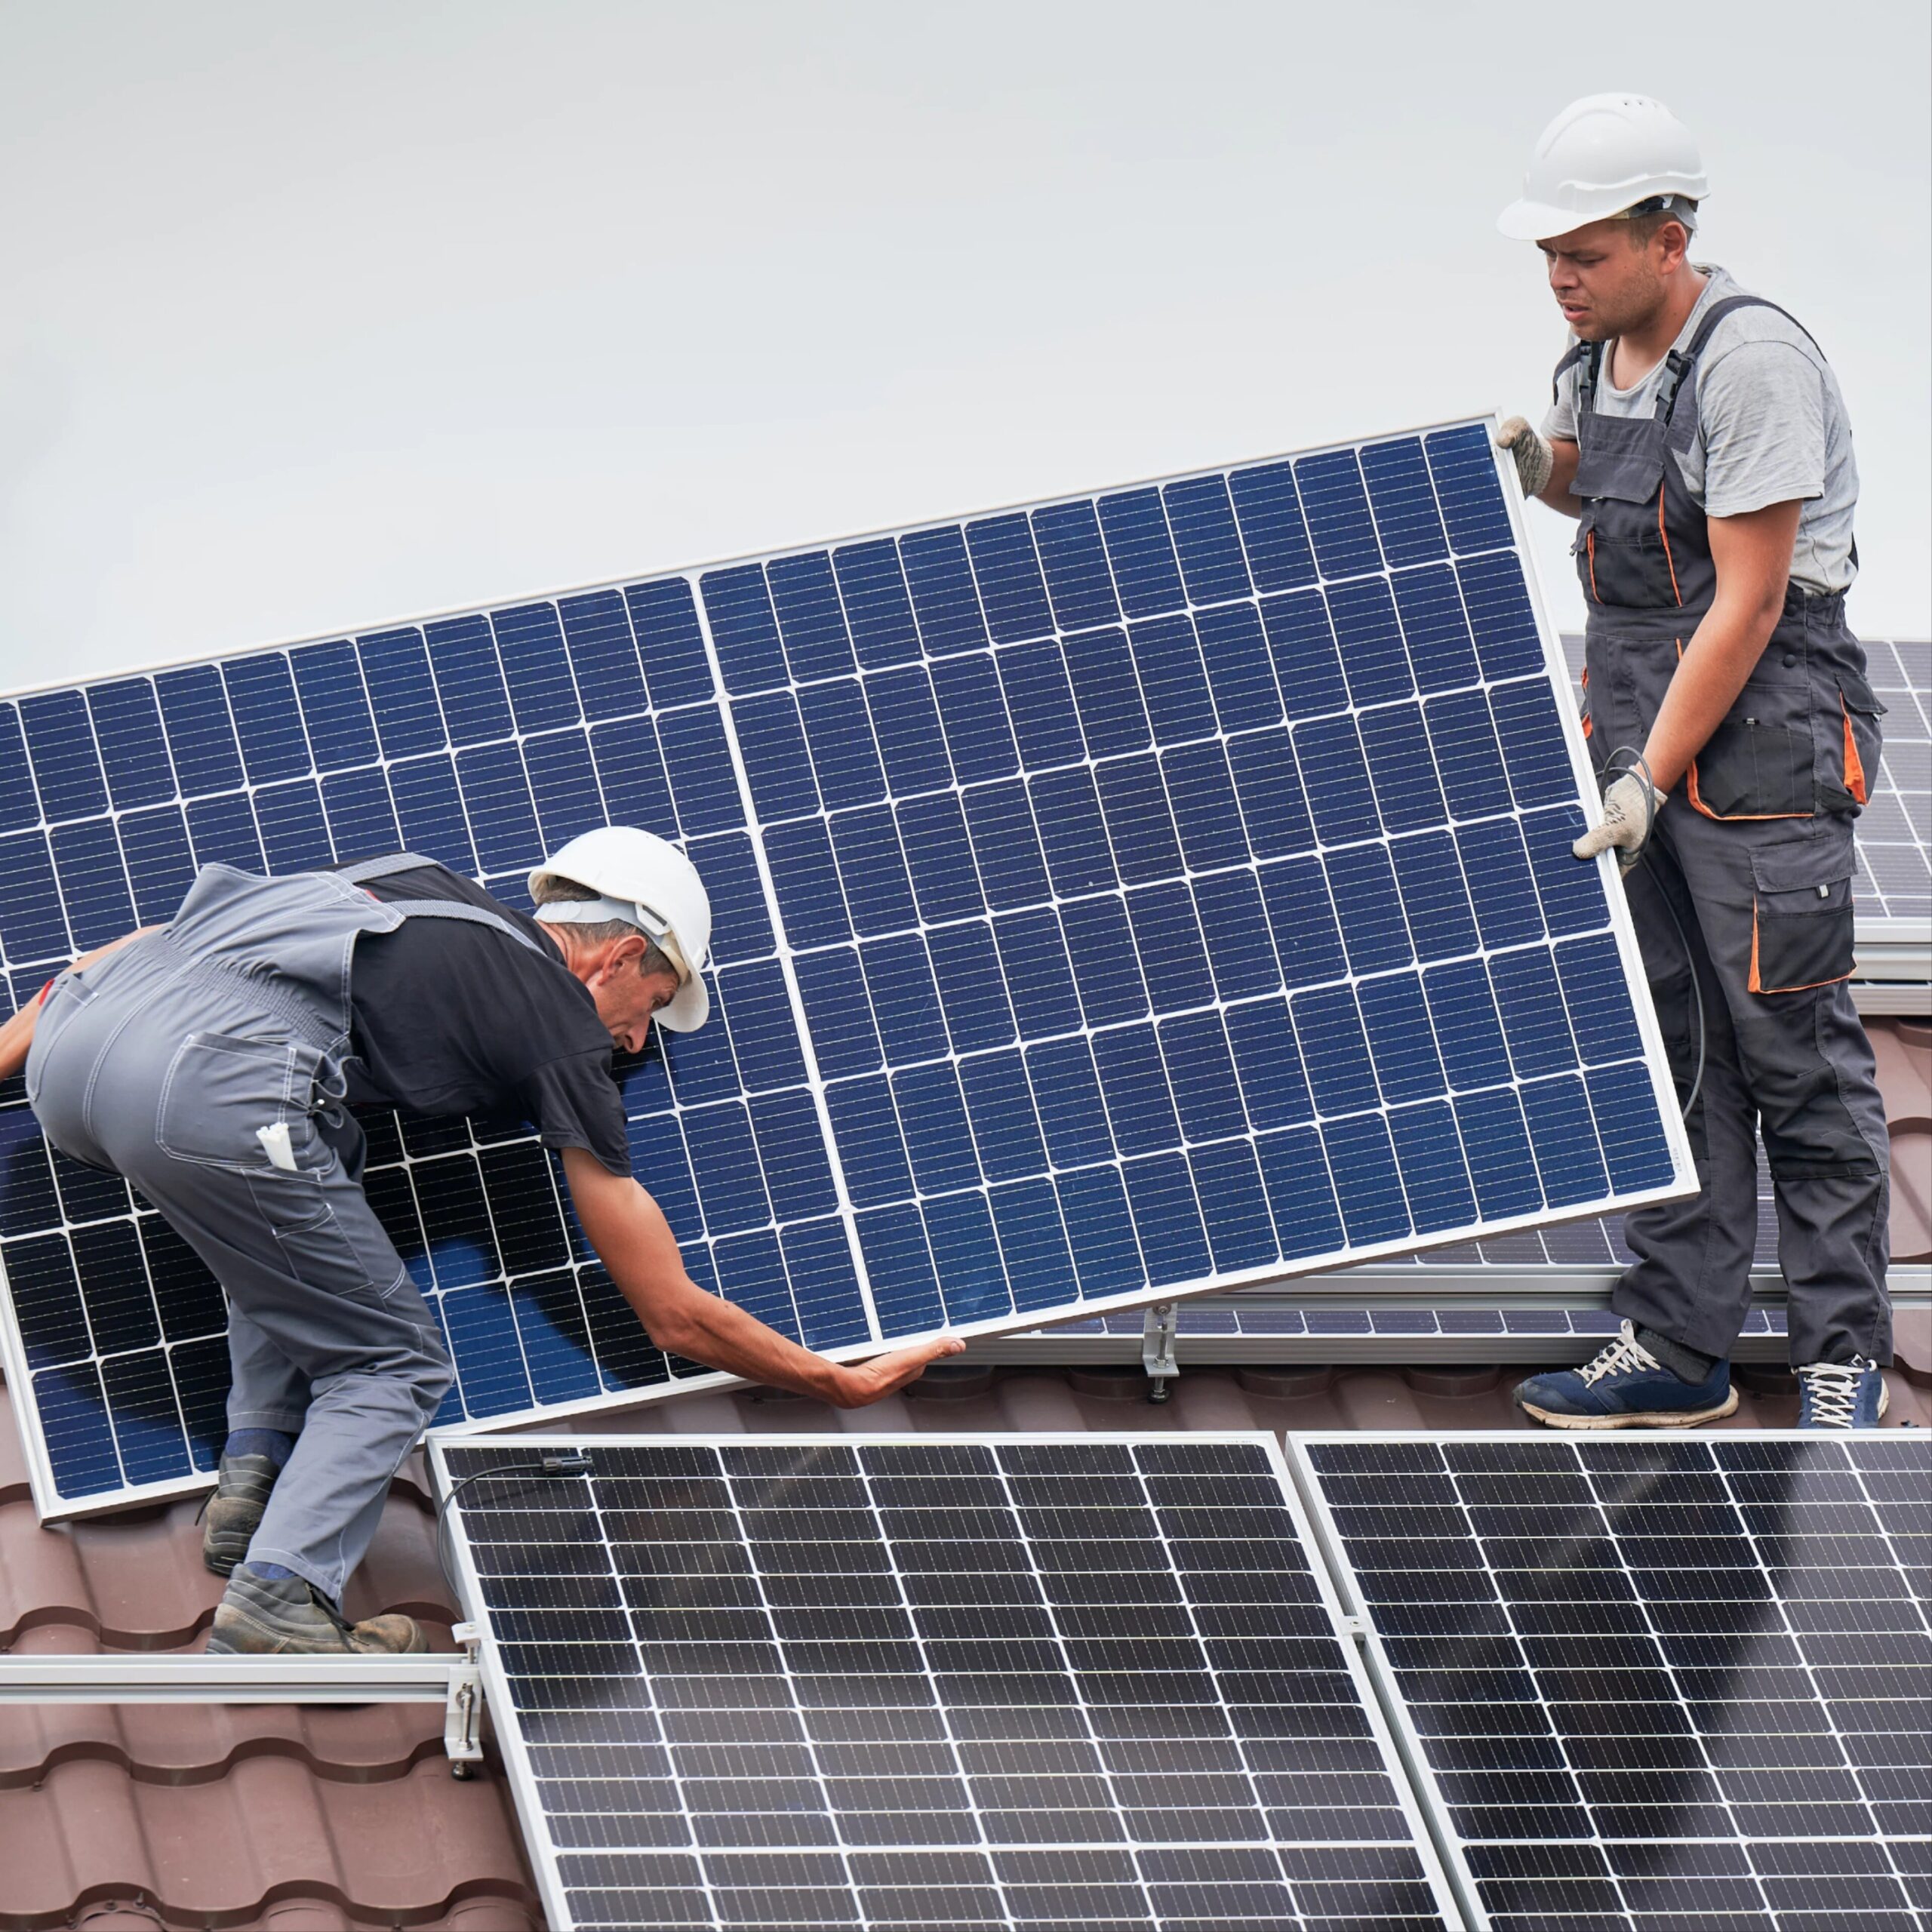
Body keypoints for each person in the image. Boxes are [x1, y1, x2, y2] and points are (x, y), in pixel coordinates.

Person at [0, 828, 961, 1652]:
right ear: (618, 955)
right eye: (656, 1003)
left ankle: (253, 1473)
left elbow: (136, 948)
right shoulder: (557, 1023)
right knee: (391, 1360)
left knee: (316, 1177)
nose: (638, 1040)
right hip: (211, 1087)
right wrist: (836, 1382)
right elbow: (669, 1313)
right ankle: (281, 1596)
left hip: (76, 1061)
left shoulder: (410, 881)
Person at [1491, 94, 1892, 1431]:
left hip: (1760, 736)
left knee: (1795, 1049)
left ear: (1669, 239)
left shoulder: (1748, 360)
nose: (1561, 277)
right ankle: (1678, 1341)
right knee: (1674, 1049)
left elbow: (1750, 601)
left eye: (1587, 252)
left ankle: (1844, 1352)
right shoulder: (1590, 354)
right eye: (1549, 253)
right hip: (1636, 725)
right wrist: (1544, 464)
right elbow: (1603, 502)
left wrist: (1649, 778)